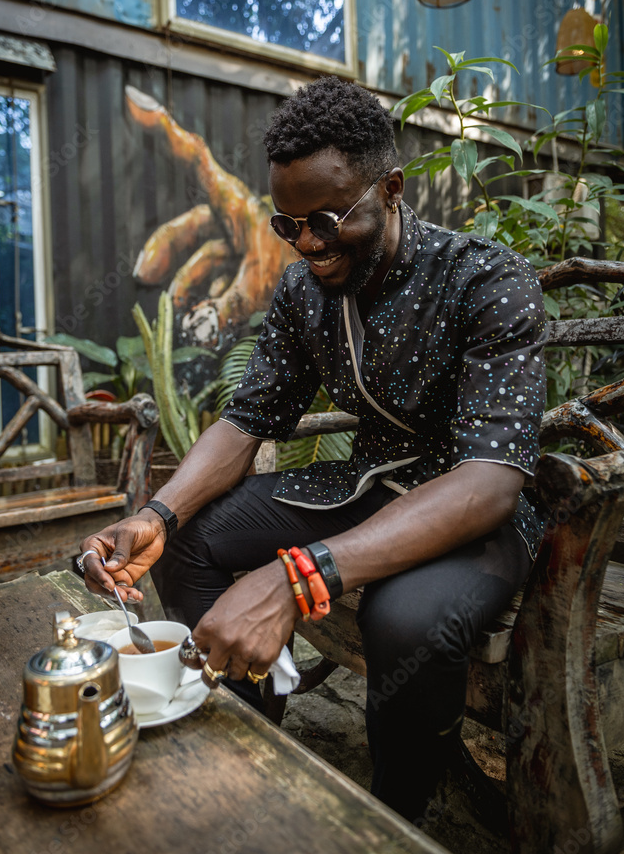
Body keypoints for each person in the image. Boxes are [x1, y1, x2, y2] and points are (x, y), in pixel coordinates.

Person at [79, 75, 546, 823]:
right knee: (192, 539)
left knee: (404, 619)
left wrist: (298, 580)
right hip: (365, 486)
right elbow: (247, 421)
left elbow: (490, 481)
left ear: (391, 188)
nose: (308, 247)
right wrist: (159, 515)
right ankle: (254, 741)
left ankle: (395, 817)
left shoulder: (486, 278)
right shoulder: (303, 292)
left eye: (328, 220)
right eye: (287, 225)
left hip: (474, 517)